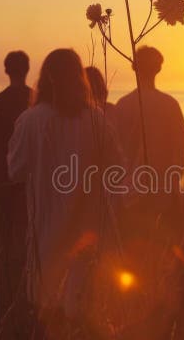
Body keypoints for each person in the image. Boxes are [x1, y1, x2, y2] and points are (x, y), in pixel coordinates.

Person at [8, 48, 122, 313]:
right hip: (88, 236)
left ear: (45, 77)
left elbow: (15, 170)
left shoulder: (30, 121)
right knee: (82, 312)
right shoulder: (96, 120)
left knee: (46, 312)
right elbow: (117, 170)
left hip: (44, 235)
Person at [114, 46, 184, 204]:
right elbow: (181, 150)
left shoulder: (122, 104)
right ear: (158, 68)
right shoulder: (169, 104)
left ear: (134, 67)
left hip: (129, 190)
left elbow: (115, 150)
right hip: (163, 190)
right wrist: (173, 183)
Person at [0, 51, 32, 281]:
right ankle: (27, 277)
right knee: (29, 230)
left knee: (5, 230)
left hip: (2, 174)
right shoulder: (37, 100)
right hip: (31, 177)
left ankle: (4, 278)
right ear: (28, 70)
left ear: (6, 70)